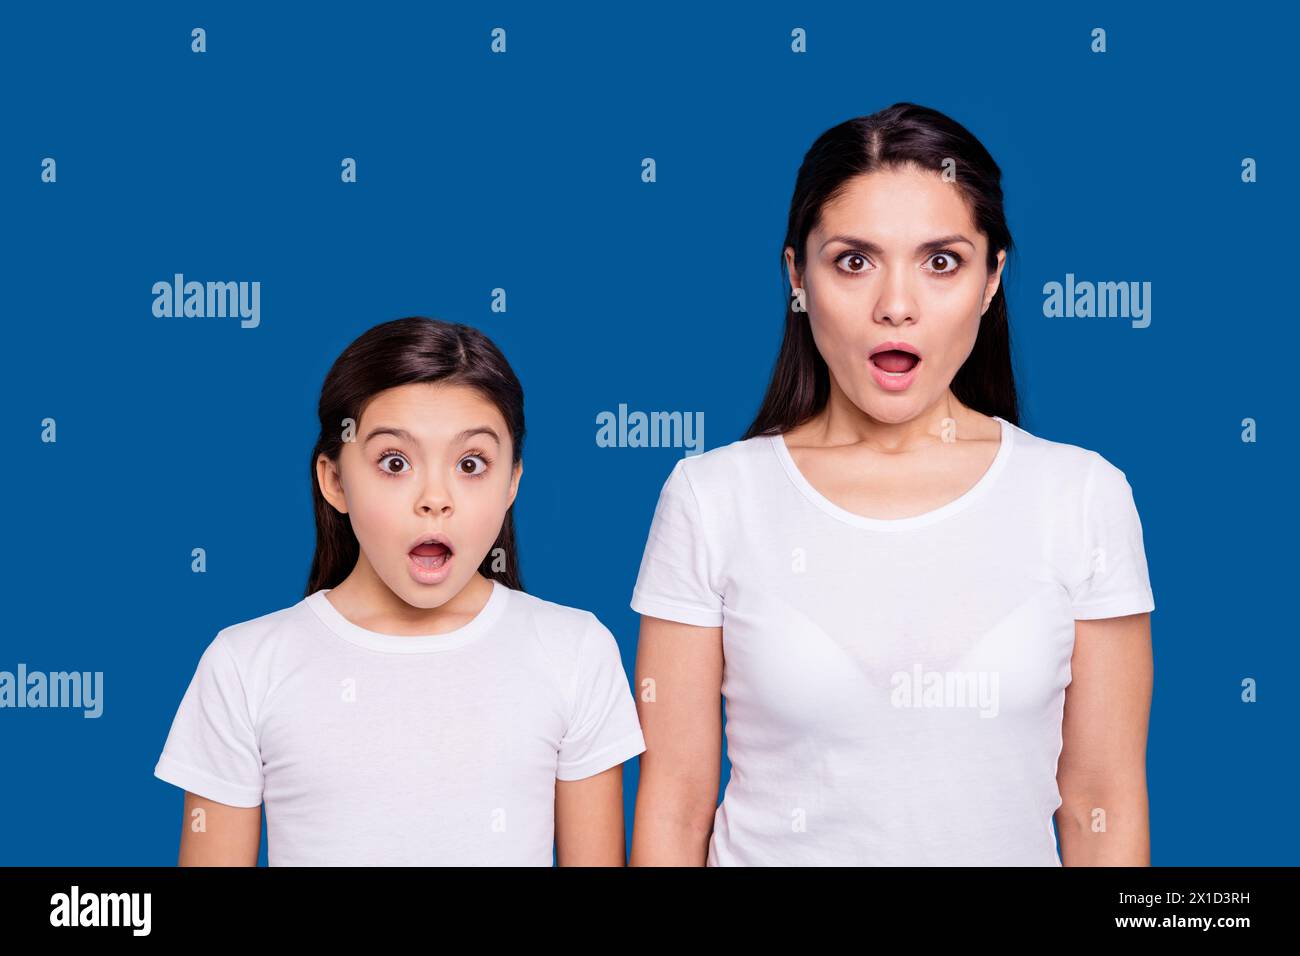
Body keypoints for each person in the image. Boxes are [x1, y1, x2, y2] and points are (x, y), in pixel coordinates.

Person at [628, 103, 1156, 866]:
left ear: (991, 278)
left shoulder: (1081, 497)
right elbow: (675, 805)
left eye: (941, 261)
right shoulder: (711, 499)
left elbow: (1103, 800)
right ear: (796, 276)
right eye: (853, 261)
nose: (896, 307)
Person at [154, 316, 645, 865]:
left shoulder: (574, 651)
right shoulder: (244, 664)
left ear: (512, 482)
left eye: (470, 464)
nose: (435, 498)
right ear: (335, 480)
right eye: (394, 463)